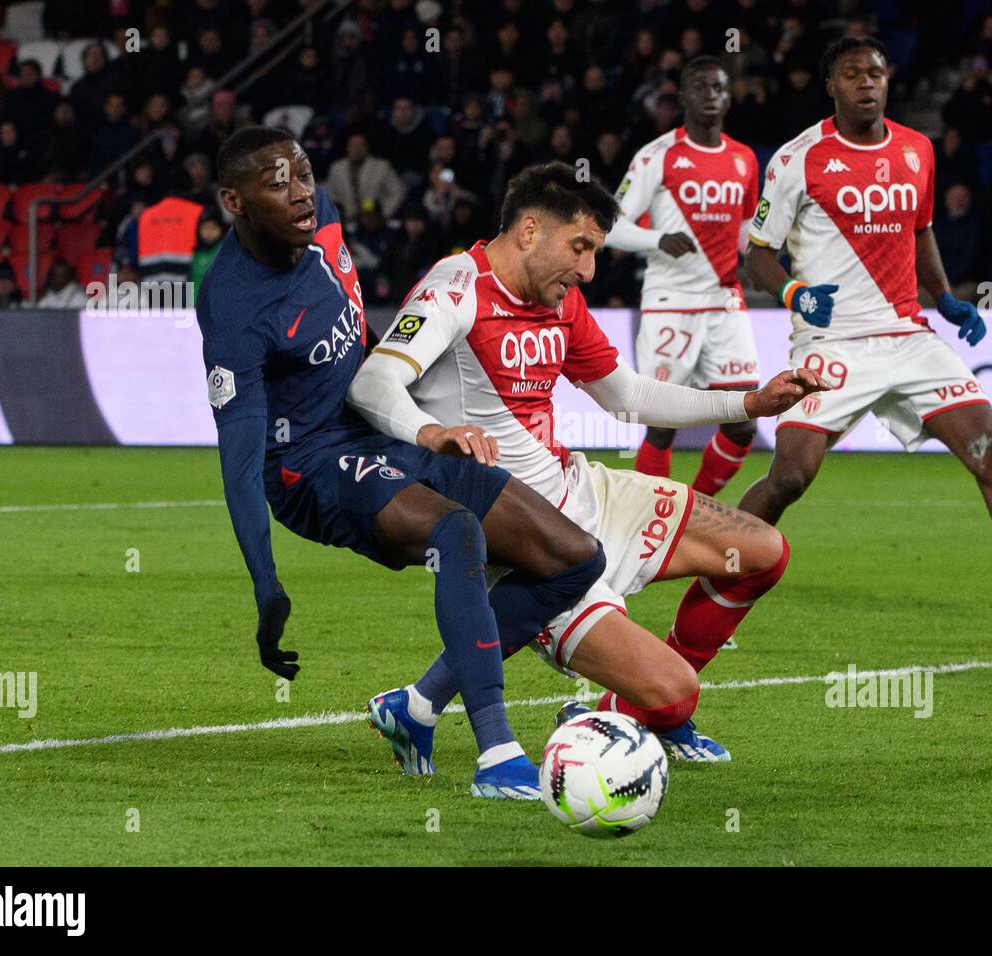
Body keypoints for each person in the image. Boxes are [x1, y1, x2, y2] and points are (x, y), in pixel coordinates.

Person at [348, 161, 827, 769]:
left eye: (596, 251)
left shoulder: (560, 299)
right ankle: (650, 708)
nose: (589, 269)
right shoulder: (456, 287)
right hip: (533, 542)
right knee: (677, 691)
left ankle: (623, 709)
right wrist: (432, 431)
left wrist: (750, 401)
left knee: (762, 552)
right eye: (580, 247)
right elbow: (373, 380)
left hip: (586, 492)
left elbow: (627, 396)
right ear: (528, 231)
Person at [196, 127, 607, 799]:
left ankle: (413, 708)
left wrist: (410, 406)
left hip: (382, 431)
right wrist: (265, 585)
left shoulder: (320, 217)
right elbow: (240, 455)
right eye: (279, 185)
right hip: (312, 465)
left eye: (304, 174)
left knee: (574, 557)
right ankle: (498, 753)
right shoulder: (233, 304)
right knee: (457, 531)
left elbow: (360, 336)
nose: (302, 195)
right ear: (233, 202)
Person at [739, 37, 992, 652]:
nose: (867, 82)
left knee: (989, 450)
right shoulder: (797, 158)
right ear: (831, 87)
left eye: (877, 72)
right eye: (852, 74)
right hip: (832, 342)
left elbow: (920, 230)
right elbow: (756, 253)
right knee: (789, 476)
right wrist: (792, 295)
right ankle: (720, 569)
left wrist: (944, 298)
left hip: (909, 336)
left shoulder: (917, 149)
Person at [605, 56, 763, 498]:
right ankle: (649, 515)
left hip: (724, 302)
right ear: (684, 97)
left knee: (744, 421)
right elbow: (611, 225)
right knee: (661, 425)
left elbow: (747, 229)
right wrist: (658, 239)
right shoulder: (657, 155)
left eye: (717, 88)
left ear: (728, 97)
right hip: (669, 301)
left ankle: (698, 507)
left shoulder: (744, 158)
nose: (709, 96)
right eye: (700, 88)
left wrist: (767, 259)